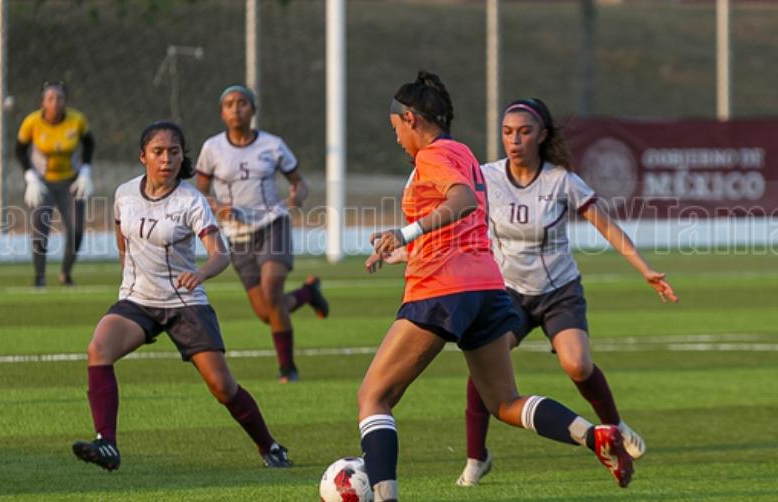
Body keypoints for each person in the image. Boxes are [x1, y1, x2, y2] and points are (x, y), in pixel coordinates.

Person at [359, 72, 634, 501]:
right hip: (487, 288)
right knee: (504, 402)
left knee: (374, 397)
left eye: (395, 127)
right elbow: (463, 226)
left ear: (410, 119)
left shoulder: (432, 156)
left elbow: (463, 201)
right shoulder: (464, 153)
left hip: (441, 291)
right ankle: (592, 434)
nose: (395, 138)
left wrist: (407, 232)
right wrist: (407, 251)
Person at [455, 97, 678, 486]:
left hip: (559, 292)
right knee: (487, 359)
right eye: (508, 132)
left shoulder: (561, 180)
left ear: (541, 135)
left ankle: (615, 428)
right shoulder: (487, 177)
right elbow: (454, 216)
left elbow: (606, 226)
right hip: (508, 293)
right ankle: (477, 458)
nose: (515, 140)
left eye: (524, 132)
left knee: (577, 365)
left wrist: (645, 270)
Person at [71, 121, 291, 471]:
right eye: (158, 152)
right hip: (138, 301)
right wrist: (129, 283)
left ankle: (270, 446)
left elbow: (220, 253)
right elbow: (121, 240)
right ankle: (106, 444)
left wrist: (200, 273)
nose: (166, 159)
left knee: (222, 387)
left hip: (184, 303)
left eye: (174, 152)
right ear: (143, 156)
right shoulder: (125, 194)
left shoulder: (191, 200)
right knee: (98, 350)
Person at [196, 85, 329, 383]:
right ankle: (309, 293)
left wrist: (297, 196)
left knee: (271, 290)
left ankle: (288, 370)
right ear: (221, 113)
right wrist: (217, 207)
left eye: (242, 103)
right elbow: (200, 191)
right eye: (229, 104)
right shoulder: (211, 148)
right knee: (265, 312)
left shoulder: (272, 145)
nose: (236, 109)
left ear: (253, 109)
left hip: (273, 224)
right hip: (237, 234)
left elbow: (300, 183)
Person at [16, 81, 94, 287]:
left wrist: (85, 172)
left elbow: (89, 143)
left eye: (59, 98)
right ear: (42, 102)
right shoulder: (32, 122)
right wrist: (30, 177)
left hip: (71, 181)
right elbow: (20, 150)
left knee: (76, 229)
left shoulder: (77, 120)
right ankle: (39, 276)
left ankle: (65, 274)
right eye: (50, 98)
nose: (55, 103)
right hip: (43, 183)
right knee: (40, 228)